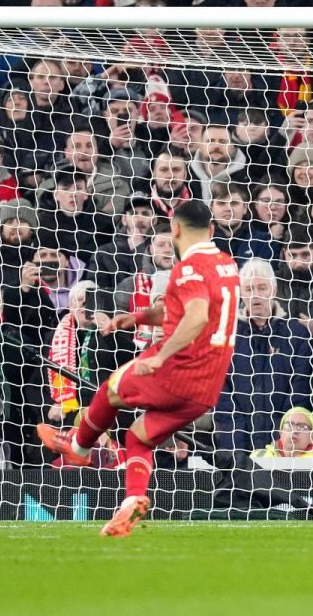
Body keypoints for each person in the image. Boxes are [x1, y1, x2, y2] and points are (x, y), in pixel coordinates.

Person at [39, 200, 239, 537]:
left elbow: (196, 316)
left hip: (178, 369)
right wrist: (135, 318)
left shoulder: (189, 268)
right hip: (206, 388)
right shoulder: (226, 265)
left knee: (110, 389)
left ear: (175, 229)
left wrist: (161, 356)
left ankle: (78, 449)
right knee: (138, 436)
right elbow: (177, 310)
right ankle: (133, 500)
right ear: (211, 229)